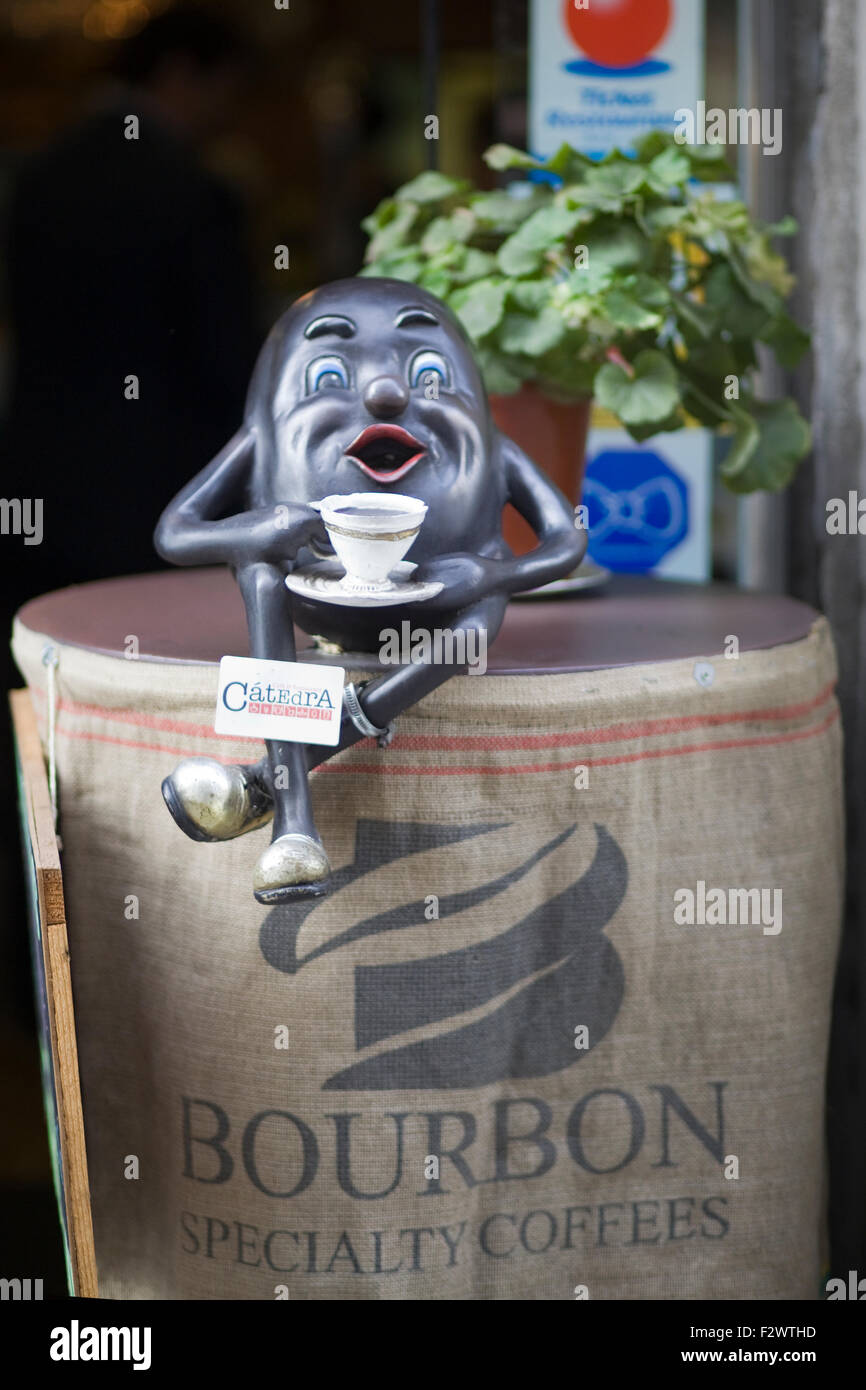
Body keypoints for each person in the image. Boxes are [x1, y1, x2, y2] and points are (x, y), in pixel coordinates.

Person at [3, 4, 259, 591]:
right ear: (181, 73)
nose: (227, 112)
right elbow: (225, 354)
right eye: (226, 90)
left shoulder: (39, 174)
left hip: (38, 464)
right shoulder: (191, 190)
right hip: (154, 478)